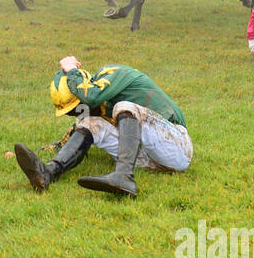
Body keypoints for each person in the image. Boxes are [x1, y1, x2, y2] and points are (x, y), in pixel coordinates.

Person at [13, 56, 193, 198]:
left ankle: (123, 176)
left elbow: (91, 97)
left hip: (176, 148)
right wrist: (40, 153)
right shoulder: (95, 100)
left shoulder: (114, 74)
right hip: (144, 158)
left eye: (77, 108)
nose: (77, 113)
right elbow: (78, 129)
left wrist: (73, 70)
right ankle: (48, 172)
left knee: (124, 106)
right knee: (89, 123)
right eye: (72, 112)